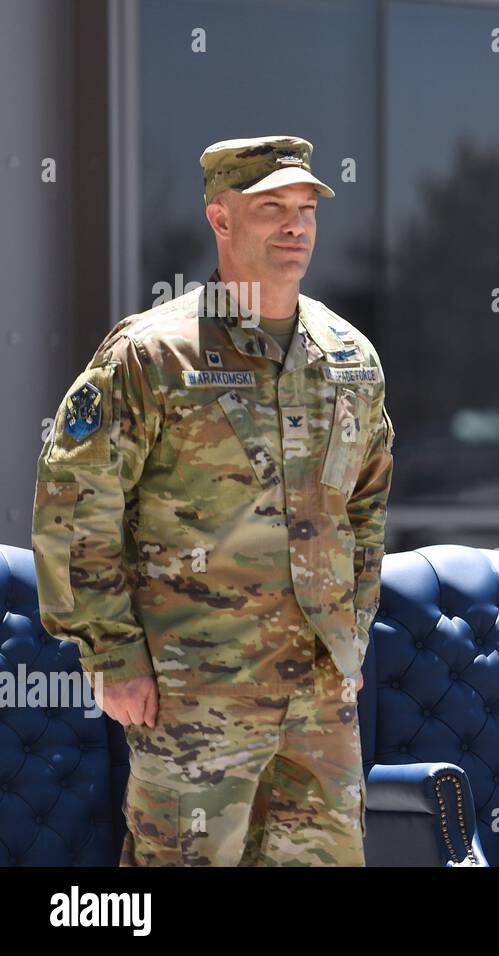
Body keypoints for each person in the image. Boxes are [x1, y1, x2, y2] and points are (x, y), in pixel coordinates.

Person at [31, 135, 395, 866]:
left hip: (321, 702)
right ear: (221, 220)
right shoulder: (156, 354)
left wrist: (351, 629)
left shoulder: (349, 356)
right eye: (271, 210)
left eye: (305, 210)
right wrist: (110, 654)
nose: (296, 226)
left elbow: (366, 503)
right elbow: (76, 504)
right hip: (194, 692)